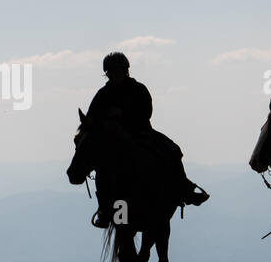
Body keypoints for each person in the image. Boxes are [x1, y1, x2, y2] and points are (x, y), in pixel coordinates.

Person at [85, 52, 207, 228]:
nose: (113, 75)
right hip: (112, 140)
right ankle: (104, 209)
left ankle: (183, 189)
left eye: (116, 71)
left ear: (125, 71)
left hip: (140, 133)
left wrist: (123, 115)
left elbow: (146, 113)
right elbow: (92, 120)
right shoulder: (102, 94)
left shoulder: (138, 89)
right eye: (110, 72)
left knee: (173, 150)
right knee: (101, 167)